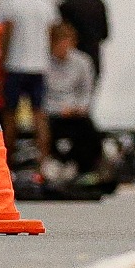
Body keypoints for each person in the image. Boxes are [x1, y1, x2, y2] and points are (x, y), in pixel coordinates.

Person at [0, 0, 58, 167]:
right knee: (40, 115)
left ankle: (6, 163)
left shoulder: (11, 3)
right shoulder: (45, 3)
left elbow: (7, 33)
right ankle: (43, 162)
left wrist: (3, 58)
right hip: (39, 66)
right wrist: (46, 56)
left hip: (15, 65)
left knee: (10, 115)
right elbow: (52, 34)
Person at [45, 22, 103, 181]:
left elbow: (87, 90)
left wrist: (79, 107)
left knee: (88, 131)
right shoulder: (44, 63)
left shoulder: (82, 62)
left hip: (76, 110)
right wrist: (57, 109)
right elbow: (43, 94)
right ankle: (54, 161)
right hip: (53, 111)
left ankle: (86, 168)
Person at [55, 0, 110, 83]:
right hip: (94, 57)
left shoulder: (65, 6)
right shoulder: (97, 2)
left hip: (72, 60)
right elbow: (105, 34)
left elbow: (62, 34)